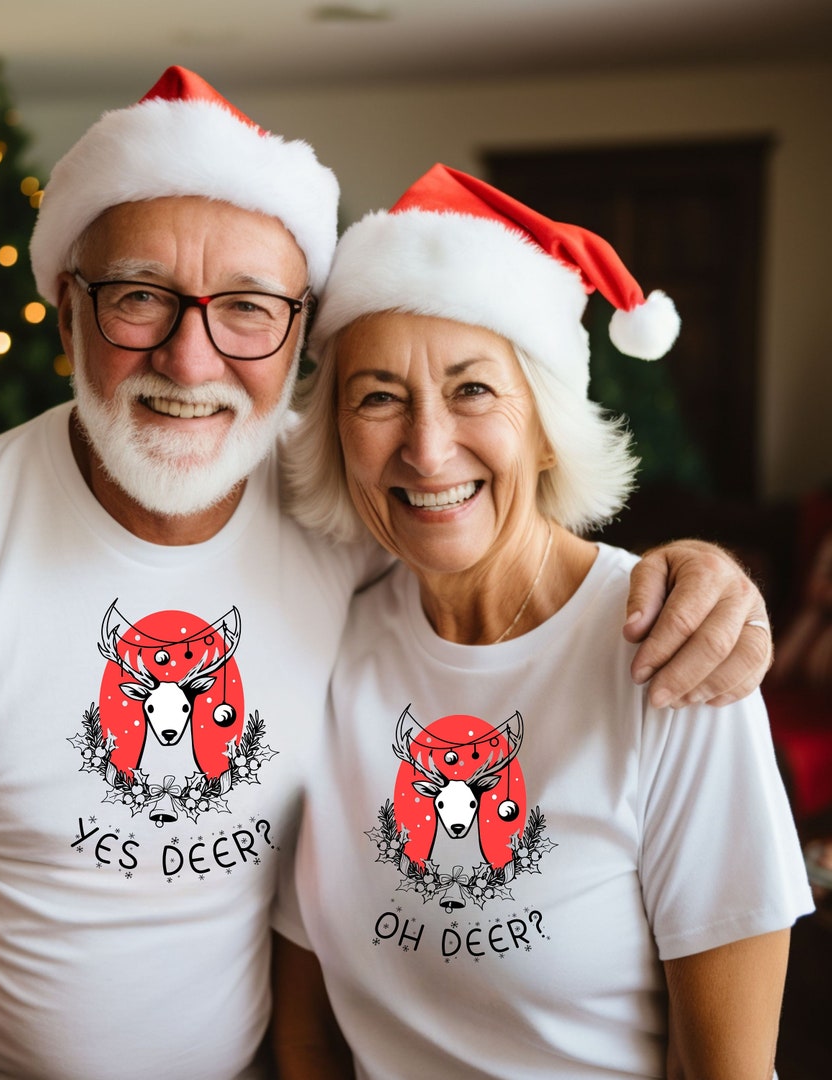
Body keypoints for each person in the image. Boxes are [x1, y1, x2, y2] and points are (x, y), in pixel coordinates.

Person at [0, 69, 771, 1080]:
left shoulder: (337, 503)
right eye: (141, 297)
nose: (192, 361)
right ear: (70, 309)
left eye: (246, 307)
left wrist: (705, 579)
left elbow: (492, 525)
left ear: (294, 334)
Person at [271, 164, 814, 1079]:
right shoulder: (330, 641)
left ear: (547, 421)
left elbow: (727, 1068)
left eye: (473, 390)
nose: (427, 446)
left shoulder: (674, 654)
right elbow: (307, 1017)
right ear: (333, 430)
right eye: (377, 396)